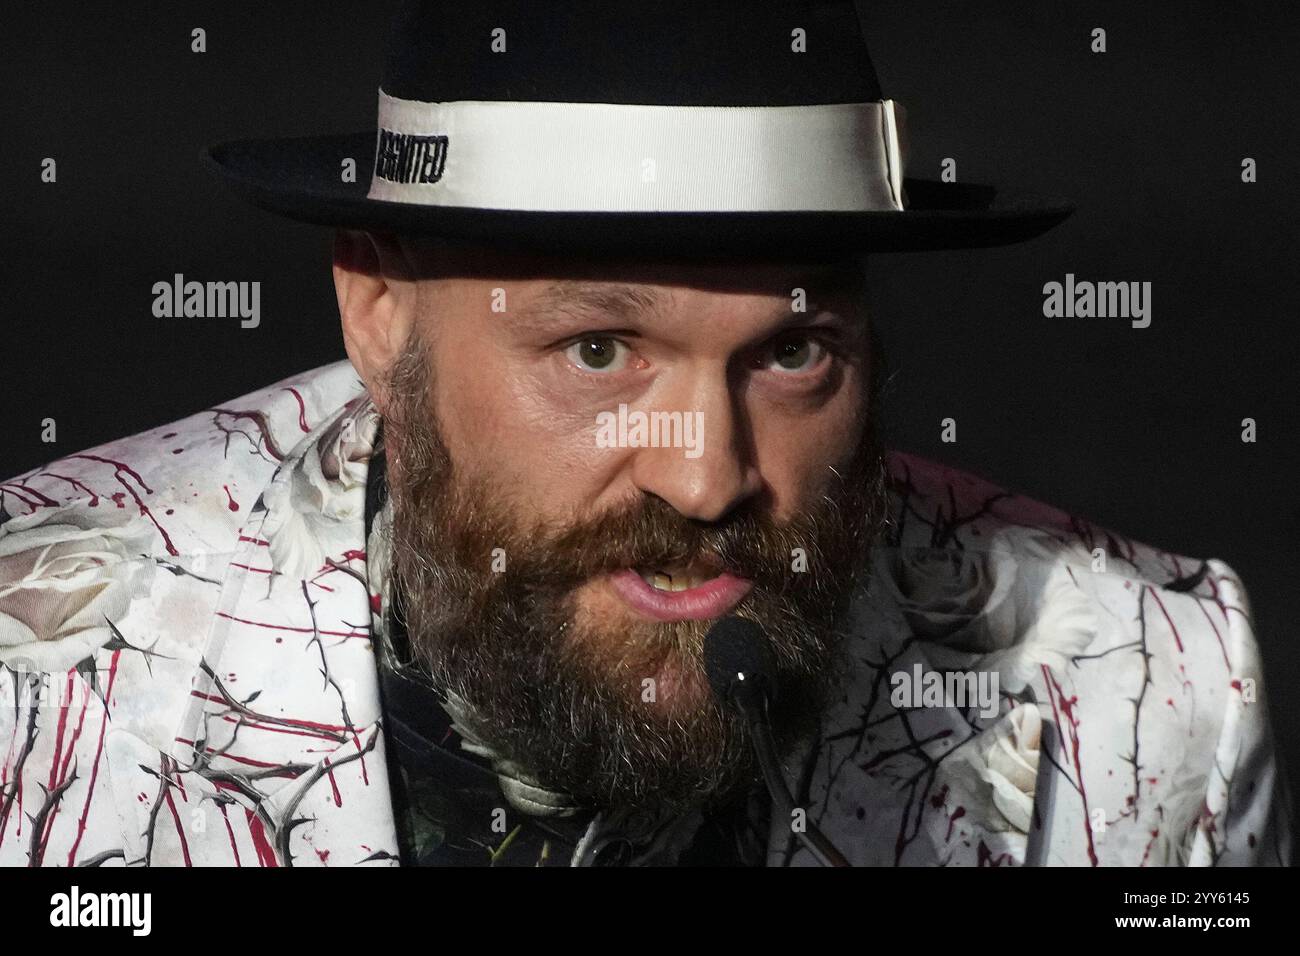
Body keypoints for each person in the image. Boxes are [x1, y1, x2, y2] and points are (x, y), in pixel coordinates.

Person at [0, 0, 1289, 867]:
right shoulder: (38, 694)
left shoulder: (1151, 692)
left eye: (790, 352)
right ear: (381, 309)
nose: (707, 474)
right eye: (599, 350)